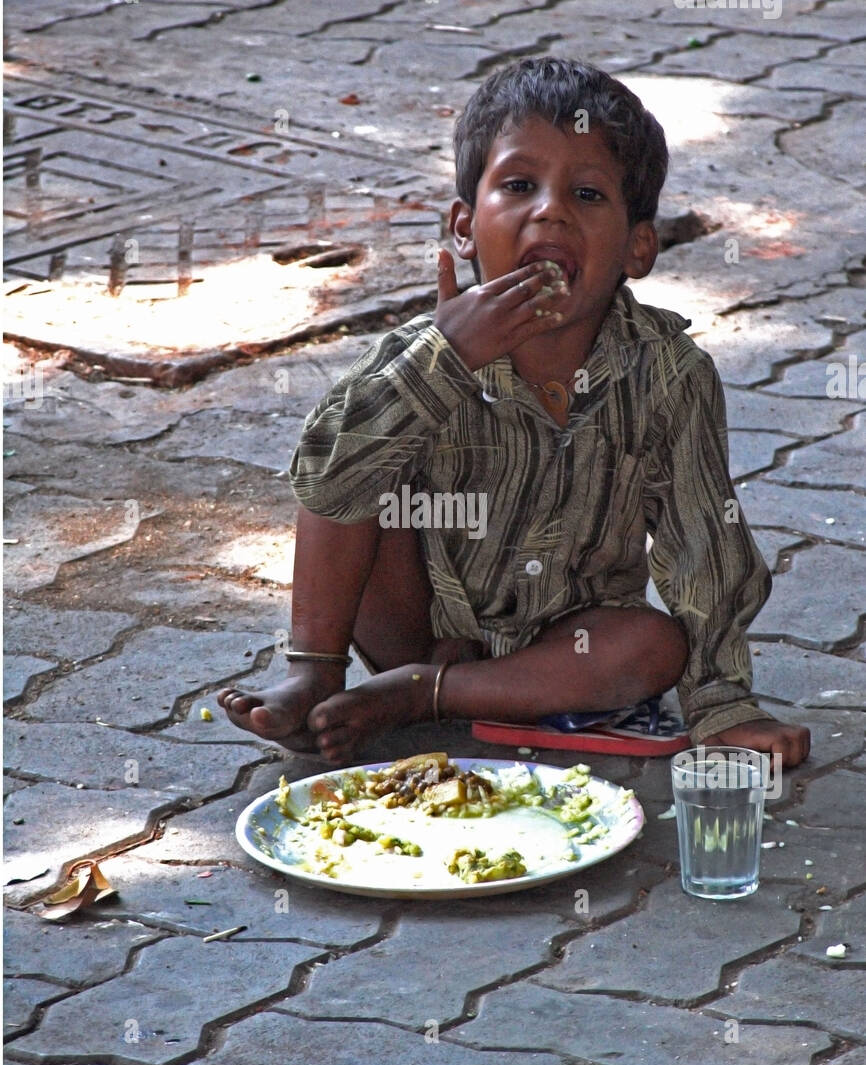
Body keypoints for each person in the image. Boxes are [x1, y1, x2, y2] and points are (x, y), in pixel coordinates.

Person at [219, 56, 810, 770]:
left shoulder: (668, 373)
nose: (550, 210)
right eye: (519, 185)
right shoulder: (420, 353)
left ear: (638, 247)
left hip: (564, 648)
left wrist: (721, 703)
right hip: (408, 623)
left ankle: (424, 696)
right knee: (363, 443)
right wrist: (440, 363)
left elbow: (702, 542)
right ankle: (316, 674)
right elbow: (325, 481)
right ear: (465, 228)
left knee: (654, 646)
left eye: (588, 194)